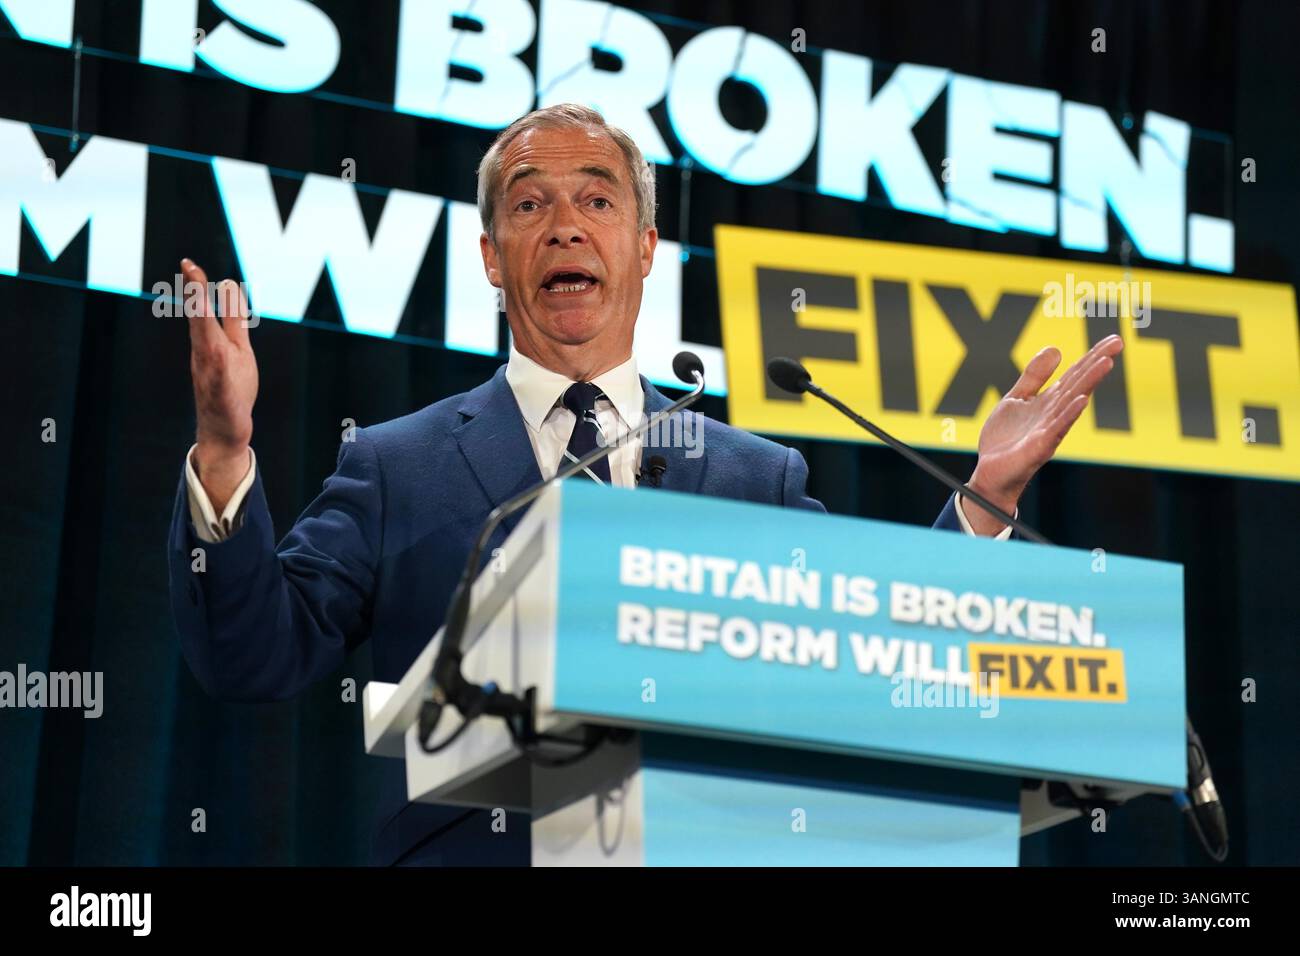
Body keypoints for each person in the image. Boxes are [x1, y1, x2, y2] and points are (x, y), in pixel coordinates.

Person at [169, 103, 1123, 866]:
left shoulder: (756, 475)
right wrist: (223, 451)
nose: (564, 227)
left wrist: (983, 499)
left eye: (597, 200)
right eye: (530, 205)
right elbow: (253, 656)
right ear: (494, 258)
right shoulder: (397, 463)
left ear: (646, 248)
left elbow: (869, 663)